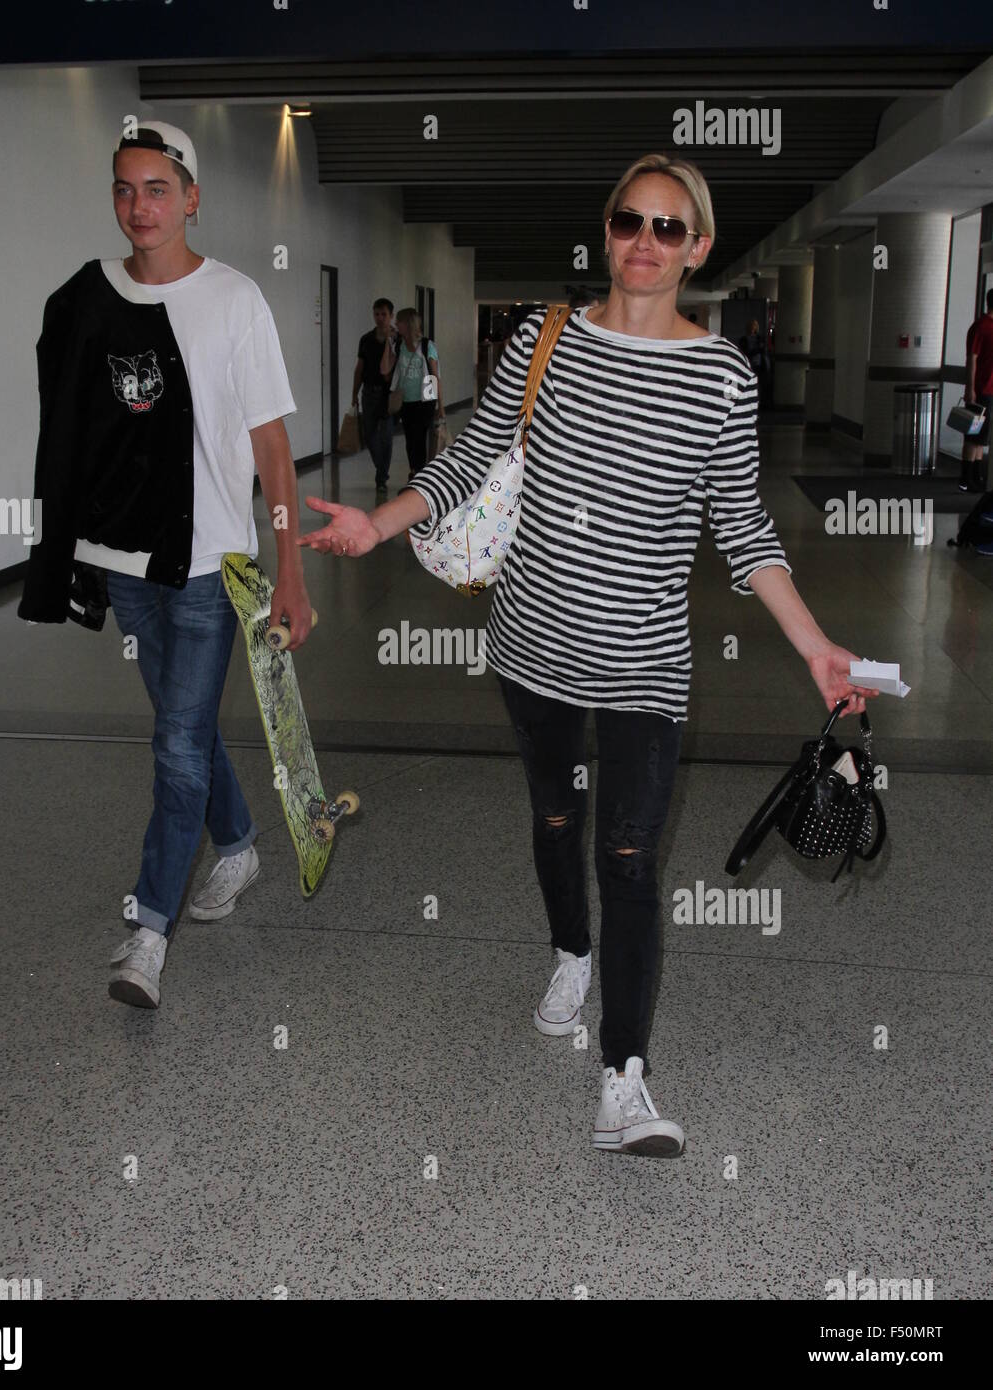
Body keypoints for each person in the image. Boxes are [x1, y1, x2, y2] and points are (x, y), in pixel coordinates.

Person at [297, 152, 880, 1159]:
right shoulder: (545, 338)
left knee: (633, 859)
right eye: (628, 222)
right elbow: (472, 459)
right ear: (607, 229)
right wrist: (378, 520)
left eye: (667, 228)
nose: (643, 244)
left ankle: (625, 1079)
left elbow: (742, 528)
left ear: (698, 246)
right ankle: (571, 953)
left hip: (648, 666)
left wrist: (819, 647)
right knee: (559, 819)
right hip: (533, 649)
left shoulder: (721, 376)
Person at [18, 121, 309, 1010]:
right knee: (183, 730)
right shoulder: (86, 300)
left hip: (210, 559)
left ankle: (150, 931)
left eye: (156, 188)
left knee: (177, 739)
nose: (138, 207)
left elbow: (272, 447)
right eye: (123, 188)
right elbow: (66, 427)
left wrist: (290, 568)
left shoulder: (235, 300)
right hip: (122, 560)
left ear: (190, 197)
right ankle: (238, 845)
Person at [381, 308, 445, 479]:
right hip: (406, 400)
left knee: (421, 437)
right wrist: (388, 344)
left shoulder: (427, 345)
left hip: (425, 400)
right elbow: (385, 370)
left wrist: (441, 406)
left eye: (399, 321)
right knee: (410, 438)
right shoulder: (398, 346)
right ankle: (415, 470)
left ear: (408, 324)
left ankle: (419, 472)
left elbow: (435, 375)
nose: (396, 325)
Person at [352, 298, 396, 499]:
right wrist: (354, 392)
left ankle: (381, 479)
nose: (379, 318)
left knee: (386, 437)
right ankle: (381, 469)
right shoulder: (366, 339)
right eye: (376, 314)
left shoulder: (397, 339)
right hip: (369, 392)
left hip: (388, 394)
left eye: (383, 314)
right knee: (369, 435)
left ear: (391, 316)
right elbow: (359, 368)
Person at [962, 288, 993, 492]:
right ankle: (965, 478)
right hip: (980, 390)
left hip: (989, 390)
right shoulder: (981, 327)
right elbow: (971, 358)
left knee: (982, 437)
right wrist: (970, 388)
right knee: (973, 435)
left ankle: (976, 476)